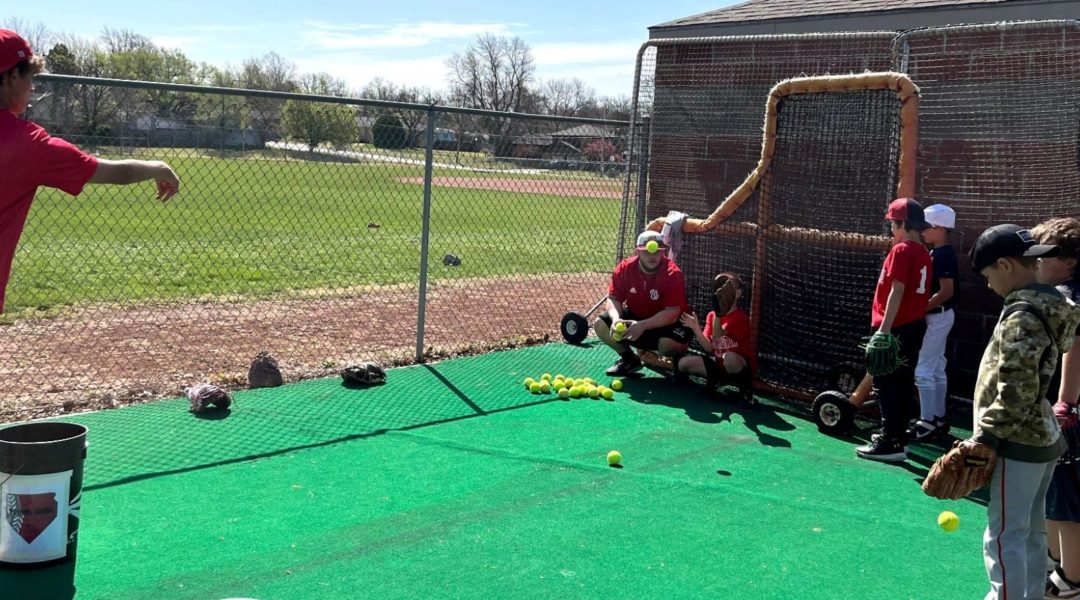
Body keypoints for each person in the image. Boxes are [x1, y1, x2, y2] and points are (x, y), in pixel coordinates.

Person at [0, 29, 180, 313]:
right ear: (12, 77)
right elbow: (115, 173)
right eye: (30, 78)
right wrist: (159, 167)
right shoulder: (27, 144)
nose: (32, 88)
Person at [967, 223, 1079, 600]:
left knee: (1004, 534)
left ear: (1005, 265)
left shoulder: (1022, 314)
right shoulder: (1051, 304)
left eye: (988, 275)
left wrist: (985, 438)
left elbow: (1016, 391)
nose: (988, 285)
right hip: (1043, 437)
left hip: (1016, 442)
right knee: (1031, 531)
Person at [856, 198, 933, 462]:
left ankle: (889, 440)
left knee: (885, 382)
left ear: (902, 223)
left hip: (895, 326)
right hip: (914, 326)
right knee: (902, 382)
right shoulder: (924, 251)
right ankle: (899, 437)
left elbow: (897, 290)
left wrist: (884, 329)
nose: (891, 228)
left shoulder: (901, 250)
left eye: (893, 223)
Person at [1030, 217, 1080, 598]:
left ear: (1069, 261)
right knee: (1052, 491)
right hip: (1059, 411)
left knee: (1066, 496)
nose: (1037, 261)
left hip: (1068, 414)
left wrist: (1066, 404)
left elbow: (1074, 349)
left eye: (1046, 254)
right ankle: (1053, 560)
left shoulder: (1068, 297)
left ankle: (1071, 579)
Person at [595, 229, 691, 376]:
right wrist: (615, 319)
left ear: (663, 252)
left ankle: (679, 365)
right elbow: (614, 299)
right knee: (600, 324)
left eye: (657, 252)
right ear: (637, 252)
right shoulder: (625, 268)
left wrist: (642, 325)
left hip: (670, 324)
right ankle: (629, 360)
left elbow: (672, 313)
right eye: (647, 252)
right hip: (638, 319)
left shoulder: (672, 273)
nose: (653, 256)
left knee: (667, 344)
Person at [910, 203, 959, 440]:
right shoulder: (937, 252)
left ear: (939, 229)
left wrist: (919, 308)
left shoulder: (944, 254)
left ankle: (926, 421)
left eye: (926, 227)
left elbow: (946, 291)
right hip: (938, 316)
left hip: (938, 316)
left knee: (923, 369)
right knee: (937, 367)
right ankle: (938, 418)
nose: (922, 231)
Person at [677, 272, 756, 402]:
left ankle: (746, 391)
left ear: (738, 293)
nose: (722, 291)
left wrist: (719, 315)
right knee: (683, 363)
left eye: (728, 288)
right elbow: (709, 348)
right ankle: (716, 381)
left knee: (729, 358)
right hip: (719, 364)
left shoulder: (740, 317)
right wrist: (696, 328)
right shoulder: (711, 315)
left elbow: (719, 340)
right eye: (720, 287)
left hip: (737, 365)